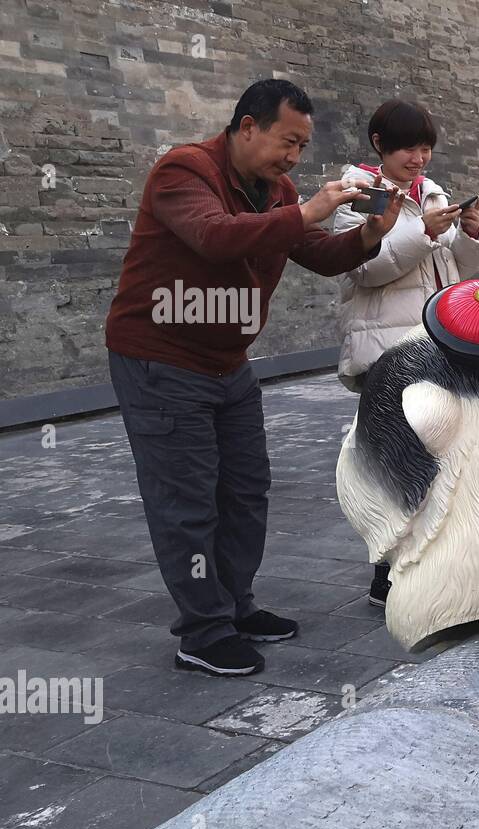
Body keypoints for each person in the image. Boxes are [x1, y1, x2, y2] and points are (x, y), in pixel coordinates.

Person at [104, 79, 401, 676]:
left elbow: (317, 253)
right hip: (160, 358)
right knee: (186, 502)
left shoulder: (277, 190)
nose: (292, 157)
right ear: (247, 127)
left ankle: (235, 606)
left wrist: (370, 232)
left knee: (244, 491)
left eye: (301, 145)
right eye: (286, 141)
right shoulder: (182, 172)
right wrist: (307, 210)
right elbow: (215, 238)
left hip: (228, 362)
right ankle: (203, 630)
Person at [333, 98, 479, 608]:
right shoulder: (359, 194)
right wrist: (424, 231)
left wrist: (470, 235)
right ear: (379, 144)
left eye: (426, 148)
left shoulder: (433, 193)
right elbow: (364, 267)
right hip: (387, 349)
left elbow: (458, 268)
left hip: (439, 341)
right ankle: (387, 575)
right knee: (400, 460)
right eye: (409, 147)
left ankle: (437, 563)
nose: (419, 158)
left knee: (447, 457)